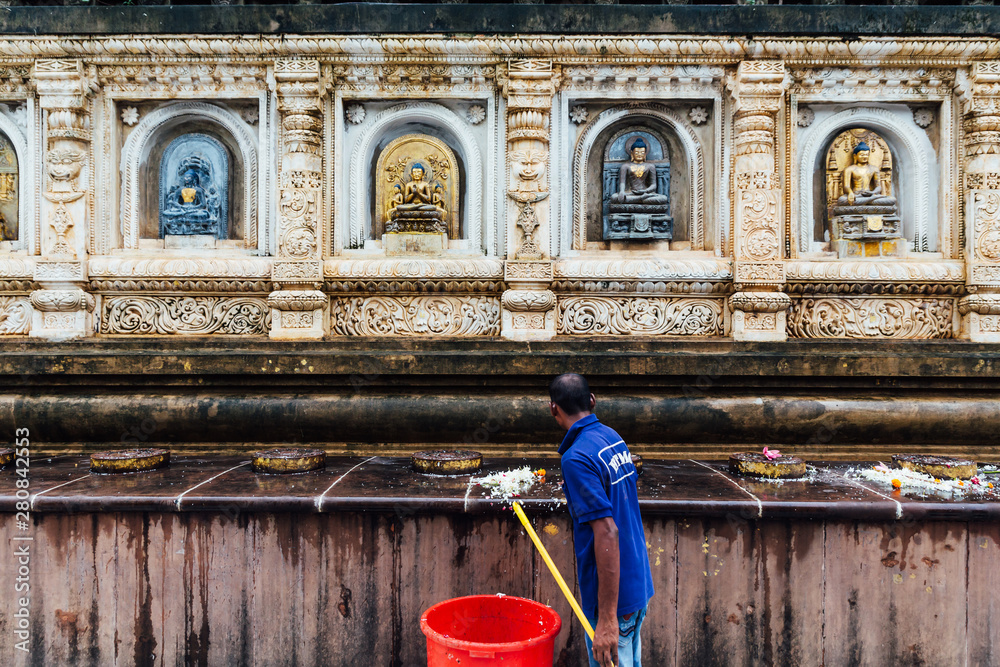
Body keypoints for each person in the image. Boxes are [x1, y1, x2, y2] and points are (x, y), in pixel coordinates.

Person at [549, 373, 654, 667]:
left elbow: (607, 531)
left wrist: (606, 621)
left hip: (613, 605)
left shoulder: (576, 458)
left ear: (553, 409)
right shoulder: (612, 437)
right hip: (636, 585)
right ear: (592, 401)